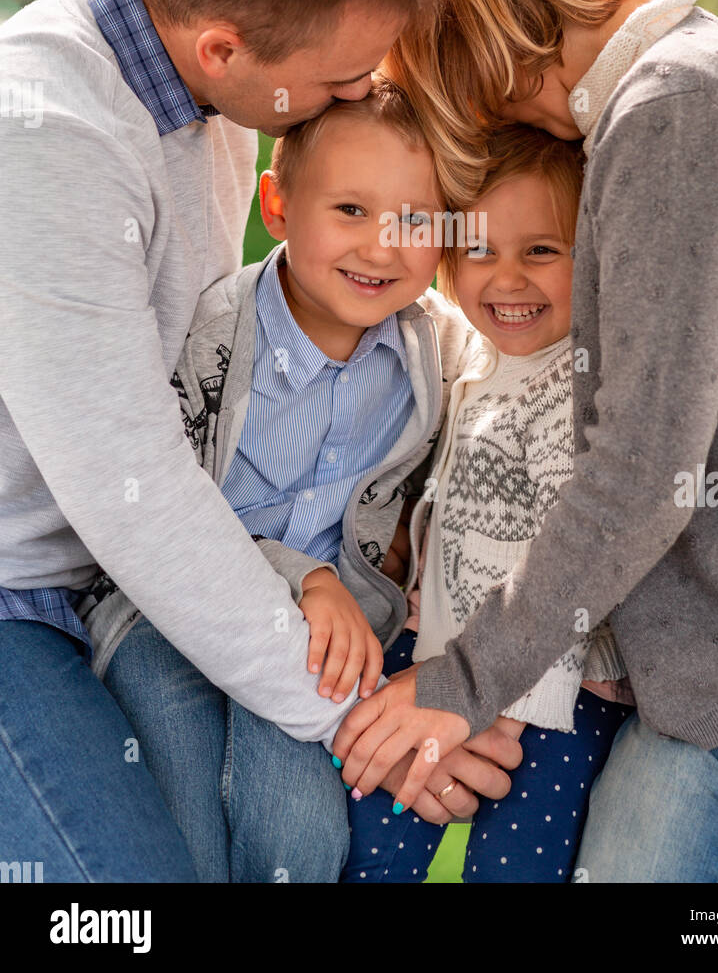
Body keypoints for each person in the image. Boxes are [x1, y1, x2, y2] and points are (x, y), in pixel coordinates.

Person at [333, 0, 718, 883]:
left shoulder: (671, 110)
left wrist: (461, 680)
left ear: (463, 22)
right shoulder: (660, 94)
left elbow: (640, 469)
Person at [0, 0, 432, 881]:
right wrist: (357, 720)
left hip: (106, 582)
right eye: (340, 83)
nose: (350, 102)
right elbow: (129, 482)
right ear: (223, 47)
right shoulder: (49, 135)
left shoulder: (217, 91)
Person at [80, 82, 523, 881]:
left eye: (415, 221)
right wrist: (304, 574)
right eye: (349, 210)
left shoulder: (439, 355)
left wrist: (430, 577)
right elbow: (161, 518)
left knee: (300, 835)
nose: (382, 249)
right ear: (277, 207)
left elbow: (501, 446)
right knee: (179, 803)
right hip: (169, 611)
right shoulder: (215, 339)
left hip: (330, 645)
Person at [341, 125, 634, 883]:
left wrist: (499, 698)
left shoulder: (575, 389)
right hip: (431, 661)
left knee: (517, 871)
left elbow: (586, 557)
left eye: (541, 250)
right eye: (479, 251)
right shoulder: (471, 362)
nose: (506, 279)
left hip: (551, 695)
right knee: (369, 847)